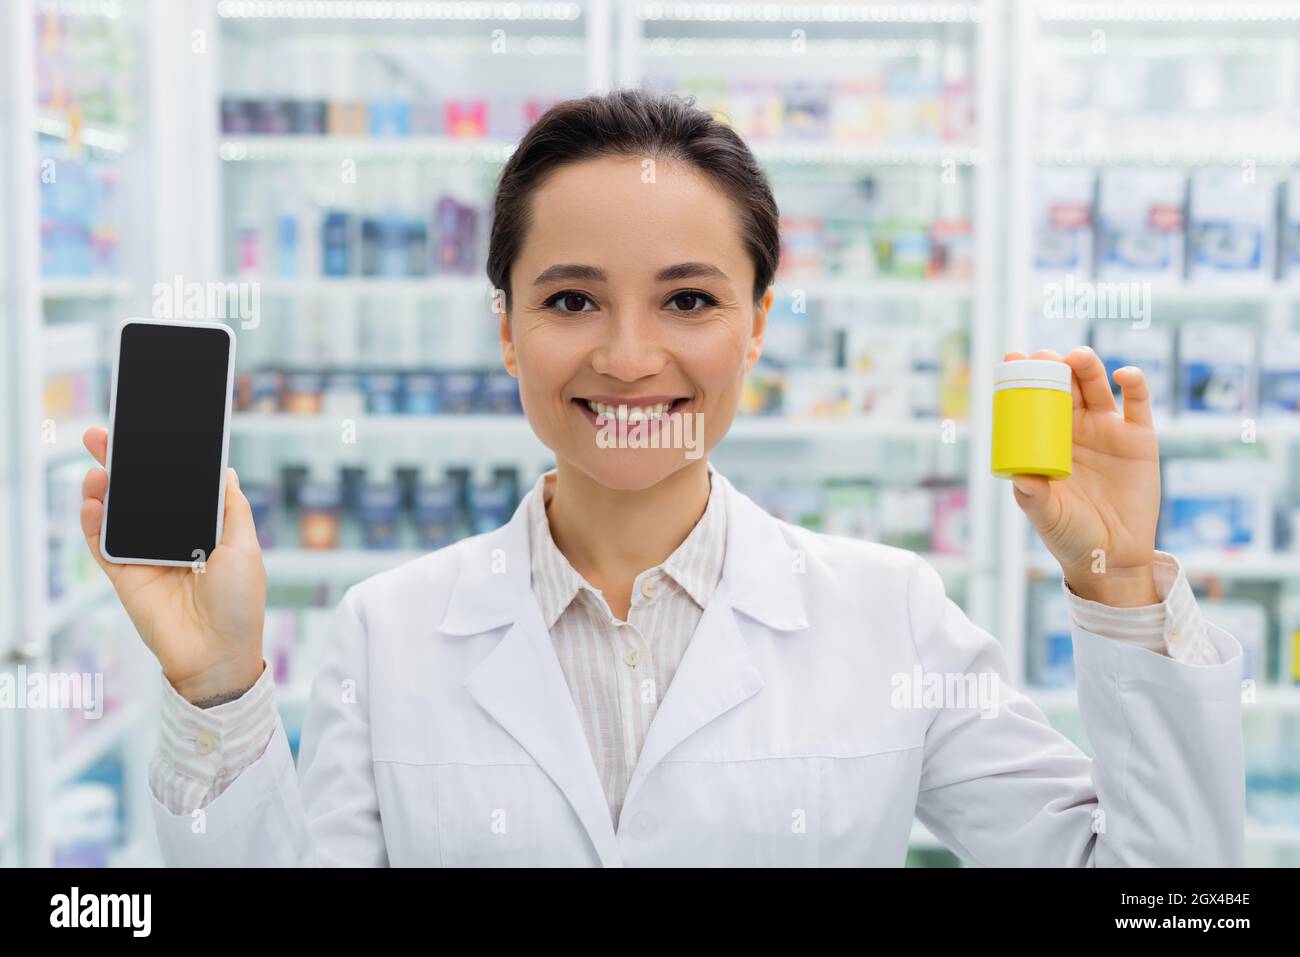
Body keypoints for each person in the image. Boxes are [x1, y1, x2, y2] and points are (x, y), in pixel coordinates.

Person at [79, 89, 1243, 866]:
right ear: (506, 329)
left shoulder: (889, 619)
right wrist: (221, 688)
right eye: (570, 299)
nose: (628, 358)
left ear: (755, 326)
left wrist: (1122, 583)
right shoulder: (387, 633)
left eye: (688, 299)